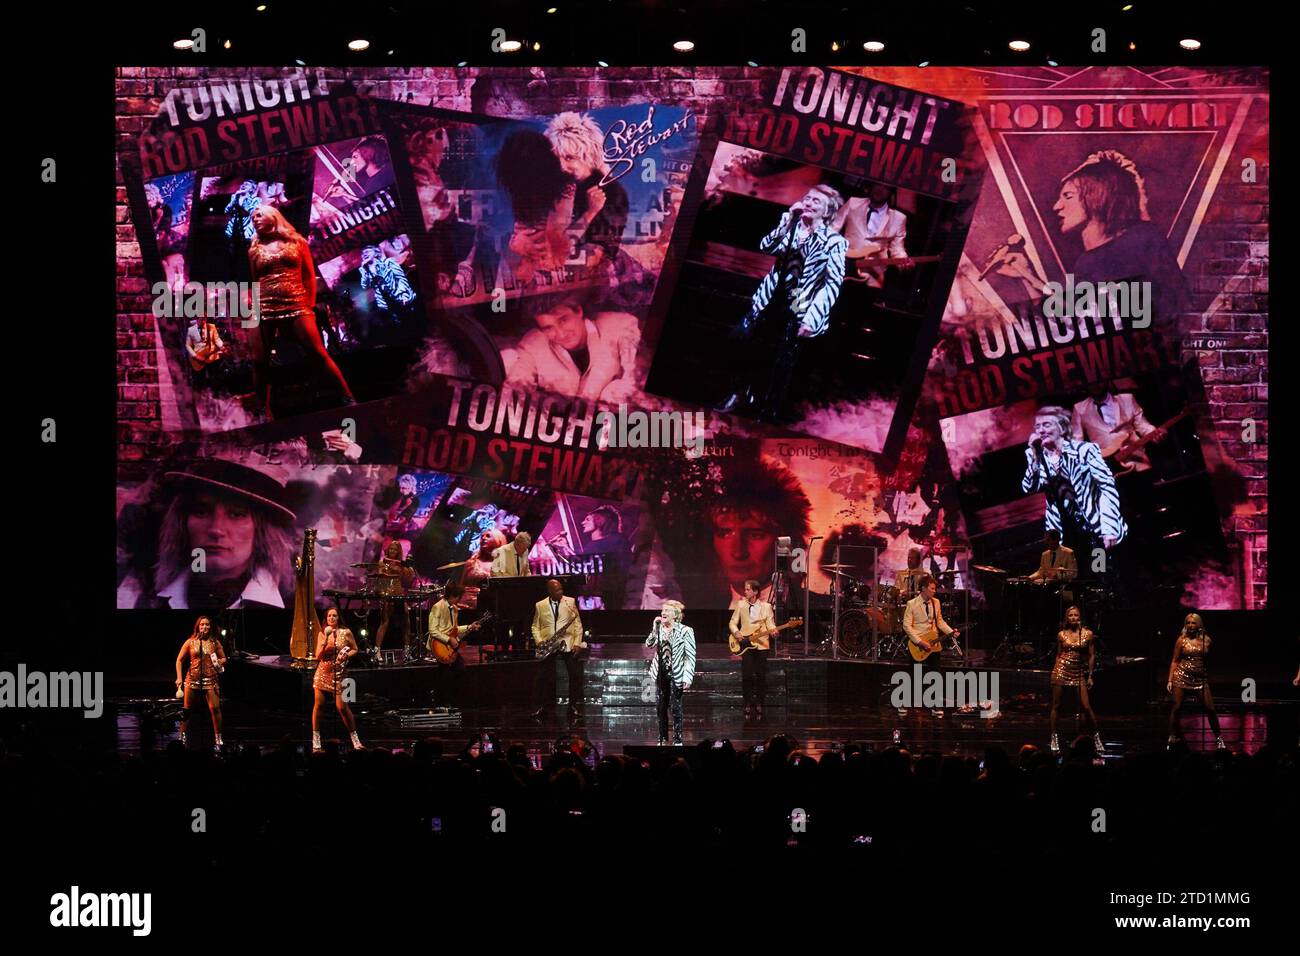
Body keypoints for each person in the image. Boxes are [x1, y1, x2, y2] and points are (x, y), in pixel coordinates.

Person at [719, 184, 848, 420]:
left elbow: (832, 284)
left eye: (816, 201)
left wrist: (812, 318)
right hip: (772, 296)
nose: (809, 203)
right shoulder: (791, 226)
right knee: (745, 344)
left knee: (781, 362)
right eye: (807, 198)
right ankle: (739, 394)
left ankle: (768, 411)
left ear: (827, 212)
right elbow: (765, 246)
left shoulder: (834, 241)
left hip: (798, 300)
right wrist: (786, 222)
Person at [118, 455, 297, 610]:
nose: (216, 529)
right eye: (201, 511)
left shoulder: (298, 607)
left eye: (236, 514)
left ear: (262, 531)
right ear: (182, 524)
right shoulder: (136, 599)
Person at [246, 204, 356, 414]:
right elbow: (256, 280)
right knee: (259, 362)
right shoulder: (254, 249)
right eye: (252, 217)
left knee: (317, 353)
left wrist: (309, 304)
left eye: (259, 215)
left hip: (296, 303)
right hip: (262, 307)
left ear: (273, 217)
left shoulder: (297, 242)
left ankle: (347, 397)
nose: (255, 219)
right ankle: (262, 413)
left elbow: (308, 276)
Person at [1022, 404, 1126, 554]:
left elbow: (1107, 487)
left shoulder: (1084, 450)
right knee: (1079, 575)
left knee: (1101, 570)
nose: (1041, 430)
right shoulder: (1037, 456)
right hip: (1065, 534)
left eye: (1046, 425)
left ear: (1062, 428)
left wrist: (1109, 526)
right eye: (1037, 426)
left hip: (1096, 529)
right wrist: (1035, 459)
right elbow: (1029, 488)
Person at [506, 291, 641, 403]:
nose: (560, 334)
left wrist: (614, 393)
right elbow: (514, 390)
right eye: (548, 328)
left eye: (563, 320)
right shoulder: (532, 344)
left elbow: (638, 380)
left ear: (578, 310)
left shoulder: (619, 325)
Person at [543, 111, 629, 269]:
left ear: (588, 157)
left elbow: (593, 259)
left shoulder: (610, 193)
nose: (561, 166)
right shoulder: (554, 186)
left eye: (569, 158)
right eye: (556, 158)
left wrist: (589, 213)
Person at [831, 181, 915, 287]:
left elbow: (897, 249)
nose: (880, 189)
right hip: (842, 267)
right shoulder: (853, 203)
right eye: (878, 184)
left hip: (873, 277)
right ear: (872, 185)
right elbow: (833, 229)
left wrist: (904, 263)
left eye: (886, 187)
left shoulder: (899, 218)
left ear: (891, 192)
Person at [1071, 382, 1167, 474]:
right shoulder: (1079, 408)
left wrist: (1155, 433)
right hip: (1106, 464)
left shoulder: (1127, 399)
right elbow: (1077, 442)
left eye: (1098, 381)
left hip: (1135, 457)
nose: (1095, 385)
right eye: (1091, 382)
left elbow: (1143, 425)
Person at [900, 574, 959, 717]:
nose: (934, 591)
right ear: (924, 589)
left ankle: (935, 705)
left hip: (934, 643)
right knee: (914, 675)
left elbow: (939, 621)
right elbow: (906, 626)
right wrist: (919, 641)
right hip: (918, 644)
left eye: (935, 588)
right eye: (932, 588)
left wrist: (951, 632)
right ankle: (905, 702)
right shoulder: (912, 604)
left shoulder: (936, 602)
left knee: (935, 674)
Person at [530, 578, 588, 723]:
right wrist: (540, 641)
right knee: (544, 677)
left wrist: (577, 643)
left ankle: (573, 706)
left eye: (561, 589)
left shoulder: (570, 602)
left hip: (566, 642)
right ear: (550, 591)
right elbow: (535, 626)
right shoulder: (540, 605)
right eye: (557, 590)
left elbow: (578, 624)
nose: (561, 592)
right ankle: (543, 706)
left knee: (575, 674)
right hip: (548, 644)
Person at [1166, 612, 1225, 750]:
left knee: (1210, 709)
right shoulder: (1181, 640)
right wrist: (1170, 680)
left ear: (1199, 624)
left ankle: (1219, 738)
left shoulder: (1207, 640)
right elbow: (1175, 661)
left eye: (1193, 623)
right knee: (1177, 707)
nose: (1190, 625)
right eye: (1188, 623)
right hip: (1181, 677)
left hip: (1200, 680)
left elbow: (1209, 660)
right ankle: (1172, 735)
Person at [1048, 606, 1101, 754]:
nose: (1073, 618)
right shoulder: (1061, 634)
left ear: (1080, 618)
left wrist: (1090, 675)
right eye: (1070, 615)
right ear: (1067, 618)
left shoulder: (1087, 634)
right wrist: (1055, 670)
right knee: (1056, 705)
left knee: (1086, 706)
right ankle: (1054, 737)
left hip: (1078, 672)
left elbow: (1091, 655)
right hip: (1061, 670)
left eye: (1076, 615)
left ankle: (1095, 737)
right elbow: (1059, 654)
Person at [311, 607, 363, 752]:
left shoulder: (346, 632)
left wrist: (347, 655)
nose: (331, 618)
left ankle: (356, 740)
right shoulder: (322, 633)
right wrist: (326, 639)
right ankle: (316, 742)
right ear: (326, 619)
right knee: (319, 706)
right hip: (322, 674)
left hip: (341, 675)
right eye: (329, 616)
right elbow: (318, 656)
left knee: (342, 708)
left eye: (334, 616)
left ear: (338, 617)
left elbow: (355, 649)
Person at [646, 599, 695, 745]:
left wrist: (688, 677)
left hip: (677, 672)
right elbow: (649, 644)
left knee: (675, 707)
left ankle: (678, 738)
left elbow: (690, 656)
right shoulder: (659, 629)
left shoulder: (686, 631)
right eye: (663, 610)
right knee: (661, 706)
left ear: (675, 615)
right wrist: (655, 628)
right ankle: (662, 737)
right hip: (660, 672)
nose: (663, 613)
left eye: (667, 610)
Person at [174, 615, 226, 749]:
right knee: (187, 711)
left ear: (210, 627)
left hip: (211, 680)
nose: (204, 627)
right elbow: (179, 660)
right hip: (192, 680)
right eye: (202, 624)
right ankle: (181, 738)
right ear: (198, 627)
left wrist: (220, 661)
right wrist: (179, 678)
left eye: (207, 624)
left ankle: (218, 739)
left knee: (215, 709)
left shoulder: (215, 642)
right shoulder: (190, 642)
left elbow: (224, 658)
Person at [729, 580, 774, 721]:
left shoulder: (766, 607)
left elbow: (770, 623)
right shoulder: (741, 605)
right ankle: (747, 702)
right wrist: (736, 632)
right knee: (747, 675)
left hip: (761, 646)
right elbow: (732, 622)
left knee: (761, 675)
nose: (745, 591)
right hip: (746, 644)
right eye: (745, 589)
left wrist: (773, 631)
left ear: (755, 592)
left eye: (748, 589)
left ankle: (760, 703)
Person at [373, 540, 414, 660]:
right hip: (386, 593)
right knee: (384, 622)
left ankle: (407, 651)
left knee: (406, 621)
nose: (392, 551)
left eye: (395, 550)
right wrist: (390, 572)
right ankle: (377, 652)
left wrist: (408, 568)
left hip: (398, 593)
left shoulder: (400, 564)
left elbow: (409, 578)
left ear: (398, 552)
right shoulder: (382, 562)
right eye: (391, 549)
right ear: (388, 550)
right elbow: (380, 577)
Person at [359, 245, 417, 320]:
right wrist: (364, 271)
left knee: (412, 318)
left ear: (376, 253)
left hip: (400, 296)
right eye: (363, 253)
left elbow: (401, 278)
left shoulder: (388, 262)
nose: (365, 254)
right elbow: (365, 286)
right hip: (386, 304)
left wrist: (404, 295)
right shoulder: (364, 271)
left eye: (367, 251)